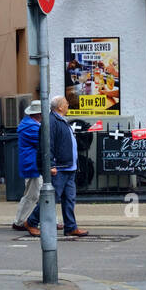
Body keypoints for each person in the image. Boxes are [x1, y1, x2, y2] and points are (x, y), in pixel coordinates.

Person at [12, 100, 60, 233]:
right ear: (39, 114)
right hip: (33, 166)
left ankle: (48, 221)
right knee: (35, 195)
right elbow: (45, 141)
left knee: (38, 195)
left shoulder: (30, 125)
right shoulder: (32, 128)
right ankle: (20, 221)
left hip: (34, 165)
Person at [50, 96, 87, 237]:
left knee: (69, 199)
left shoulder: (60, 120)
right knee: (51, 198)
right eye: (66, 103)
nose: (68, 105)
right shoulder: (53, 121)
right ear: (59, 107)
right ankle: (32, 221)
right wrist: (51, 165)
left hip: (69, 167)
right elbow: (49, 144)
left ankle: (71, 227)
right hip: (59, 168)